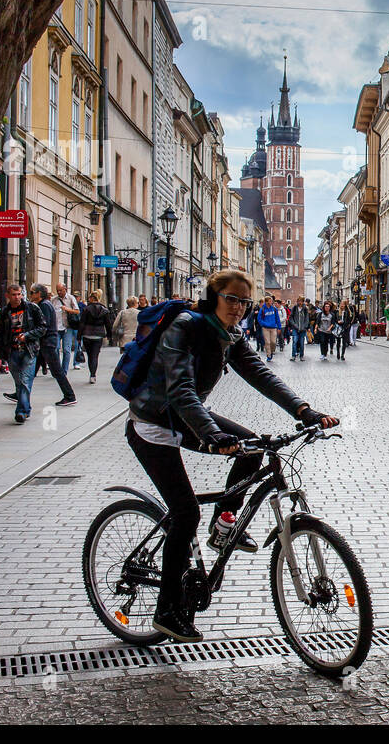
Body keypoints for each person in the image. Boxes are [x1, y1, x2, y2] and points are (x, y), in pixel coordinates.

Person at [126, 268, 338, 642]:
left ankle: (223, 524)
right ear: (213, 296)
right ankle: (166, 611)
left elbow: (262, 375)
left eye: (244, 301)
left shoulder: (231, 335)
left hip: (188, 417)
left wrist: (304, 410)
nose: (238, 308)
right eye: (231, 299)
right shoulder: (185, 326)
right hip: (154, 422)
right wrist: (211, 434)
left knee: (252, 447)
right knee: (185, 511)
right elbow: (179, 388)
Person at [0, 283, 49, 424]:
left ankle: (21, 411)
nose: (17, 297)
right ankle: (26, 407)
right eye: (14, 295)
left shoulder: (32, 308)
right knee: (19, 382)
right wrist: (1, 353)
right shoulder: (4, 312)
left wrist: (28, 335)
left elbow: (43, 327)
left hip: (29, 350)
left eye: (19, 294)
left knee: (25, 381)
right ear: (8, 296)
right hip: (12, 351)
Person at [28, 284, 76, 406]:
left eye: (32, 292)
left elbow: (44, 325)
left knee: (57, 370)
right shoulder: (45, 304)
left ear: (39, 294)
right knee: (30, 370)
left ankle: (70, 396)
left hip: (47, 342)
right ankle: (20, 393)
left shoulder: (44, 305)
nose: (30, 295)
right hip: (45, 342)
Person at [79, 289, 113, 383]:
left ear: (92, 298)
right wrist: (110, 335)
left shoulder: (86, 309)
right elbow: (108, 324)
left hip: (87, 334)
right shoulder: (104, 310)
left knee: (90, 355)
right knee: (95, 356)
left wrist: (79, 336)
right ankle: (93, 375)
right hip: (98, 335)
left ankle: (92, 373)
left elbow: (82, 323)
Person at [52, 283, 82, 372]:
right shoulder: (54, 299)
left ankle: (64, 371)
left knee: (66, 350)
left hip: (67, 327)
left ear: (65, 289)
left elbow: (77, 311)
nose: (59, 292)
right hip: (56, 327)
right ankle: (57, 368)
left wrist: (67, 309)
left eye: (60, 290)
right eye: (57, 290)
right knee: (56, 348)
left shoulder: (71, 298)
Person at [257, 295, 282, 361]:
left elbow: (277, 318)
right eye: (270, 301)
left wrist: (279, 327)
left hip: (273, 327)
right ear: (267, 302)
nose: (272, 302)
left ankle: (271, 351)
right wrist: (263, 324)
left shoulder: (274, 309)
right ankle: (268, 355)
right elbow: (259, 319)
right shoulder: (262, 309)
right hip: (265, 328)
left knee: (273, 342)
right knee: (267, 342)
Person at [287, 296, 310, 361]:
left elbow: (307, 319)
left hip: (303, 329)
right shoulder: (294, 308)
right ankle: (293, 355)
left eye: (301, 301)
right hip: (295, 328)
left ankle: (301, 355)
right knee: (294, 341)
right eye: (298, 301)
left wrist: (305, 326)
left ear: (303, 301)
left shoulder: (305, 309)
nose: (299, 302)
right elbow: (291, 318)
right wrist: (294, 325)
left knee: (302, 343)